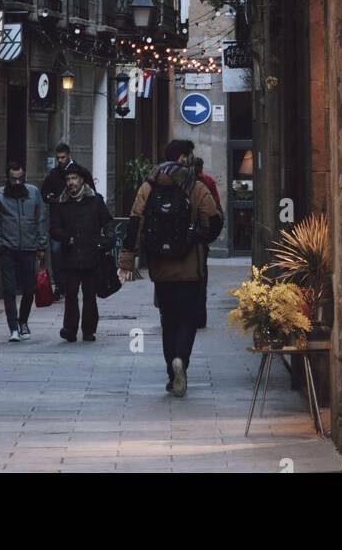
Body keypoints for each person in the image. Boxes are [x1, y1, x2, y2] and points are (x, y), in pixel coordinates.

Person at [118, 138, 222, 397]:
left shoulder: (149, 185)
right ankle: (181, 362)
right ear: (184, 158)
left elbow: (134, 222)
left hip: (161, 268)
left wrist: (127, 260)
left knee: (169, 320)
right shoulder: (195, 186)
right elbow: (213, 221)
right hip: (190, 266)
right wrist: (200, 238)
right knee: (187, 318)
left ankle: (170, 371)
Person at [50, 167, 115, 342]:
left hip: (91, 254)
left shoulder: (94, 200)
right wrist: (65, 238)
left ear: (82, 180)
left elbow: (108, 222)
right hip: (70, 255)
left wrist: (106, 241)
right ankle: (70, 328)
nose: (71, 182)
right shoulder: (61, 203)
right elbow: (54, 228)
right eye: (68, 179)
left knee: (89, 294)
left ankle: (88, 329)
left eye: (74, 178)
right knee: (71, 293)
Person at [0, 160, 48, 342]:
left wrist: (41, 245)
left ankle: (23, 321)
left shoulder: (34, 192)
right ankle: (13, 327)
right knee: (9, 289)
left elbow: (42, 219)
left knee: (30, 289)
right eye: (14, 179)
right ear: (8, 178)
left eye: (21, 178)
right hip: (8, 249)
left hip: (29, 248)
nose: (18, 182)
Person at [41, 142, 94, 299]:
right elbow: (44, 192)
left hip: (78, 220)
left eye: (63, 157)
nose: (60, 161)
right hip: (59, 220)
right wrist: (51, 199)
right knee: (56, 252)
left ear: (69, 155)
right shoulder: (54, 174)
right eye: (58, 158)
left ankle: (76, 283)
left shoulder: (81, 172)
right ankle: (60, 285)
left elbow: (92, 194)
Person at [194, 157, 224, 330]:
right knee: (201, 277)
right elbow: (216, 208)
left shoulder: (184, 183)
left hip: (185, 238)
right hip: (202, 238)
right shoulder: (208, 181)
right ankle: (200, 317)